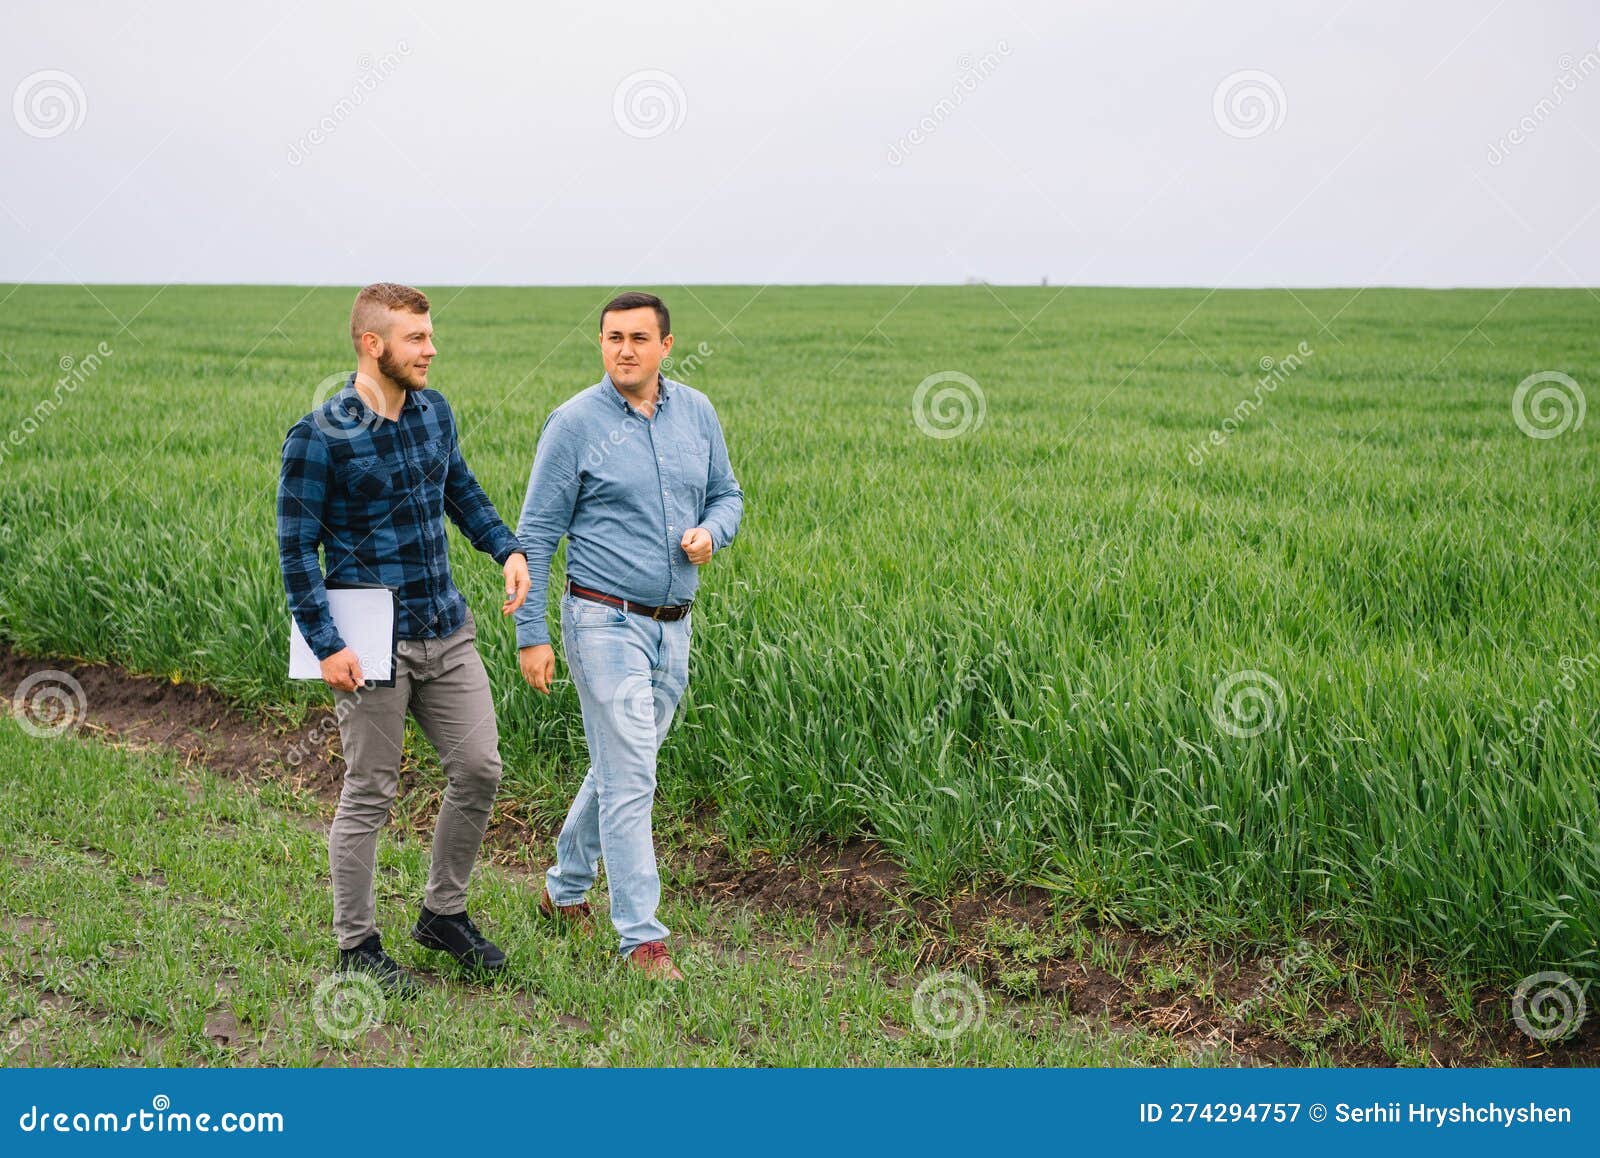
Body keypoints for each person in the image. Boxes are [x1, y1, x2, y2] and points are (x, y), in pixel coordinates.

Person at [277, 282, 531, 994]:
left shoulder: (433, 414)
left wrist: (505, 547)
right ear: (372, 344)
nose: (431, 348)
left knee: (480, 768)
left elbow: (459, 488)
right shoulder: (318, 437)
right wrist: (327, 644)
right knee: (371, 790)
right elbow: (296, 552)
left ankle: (442, 914)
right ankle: (356, 945)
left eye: (430, 334)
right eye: (416, 338)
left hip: (444, 628)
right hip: (370, 643)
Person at [515, 291, 743, 982]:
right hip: (601, 618)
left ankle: (564, 889)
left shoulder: (697, 413)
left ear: (666, 346)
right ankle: (642, 940)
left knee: (621, 766)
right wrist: (532, 632)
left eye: (639, 338)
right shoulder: (575, 422)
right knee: (634, 773)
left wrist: (714, 533)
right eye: (613, 337)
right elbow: (536, 534)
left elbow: (727, 493)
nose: (624, 349)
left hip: (675, 627)